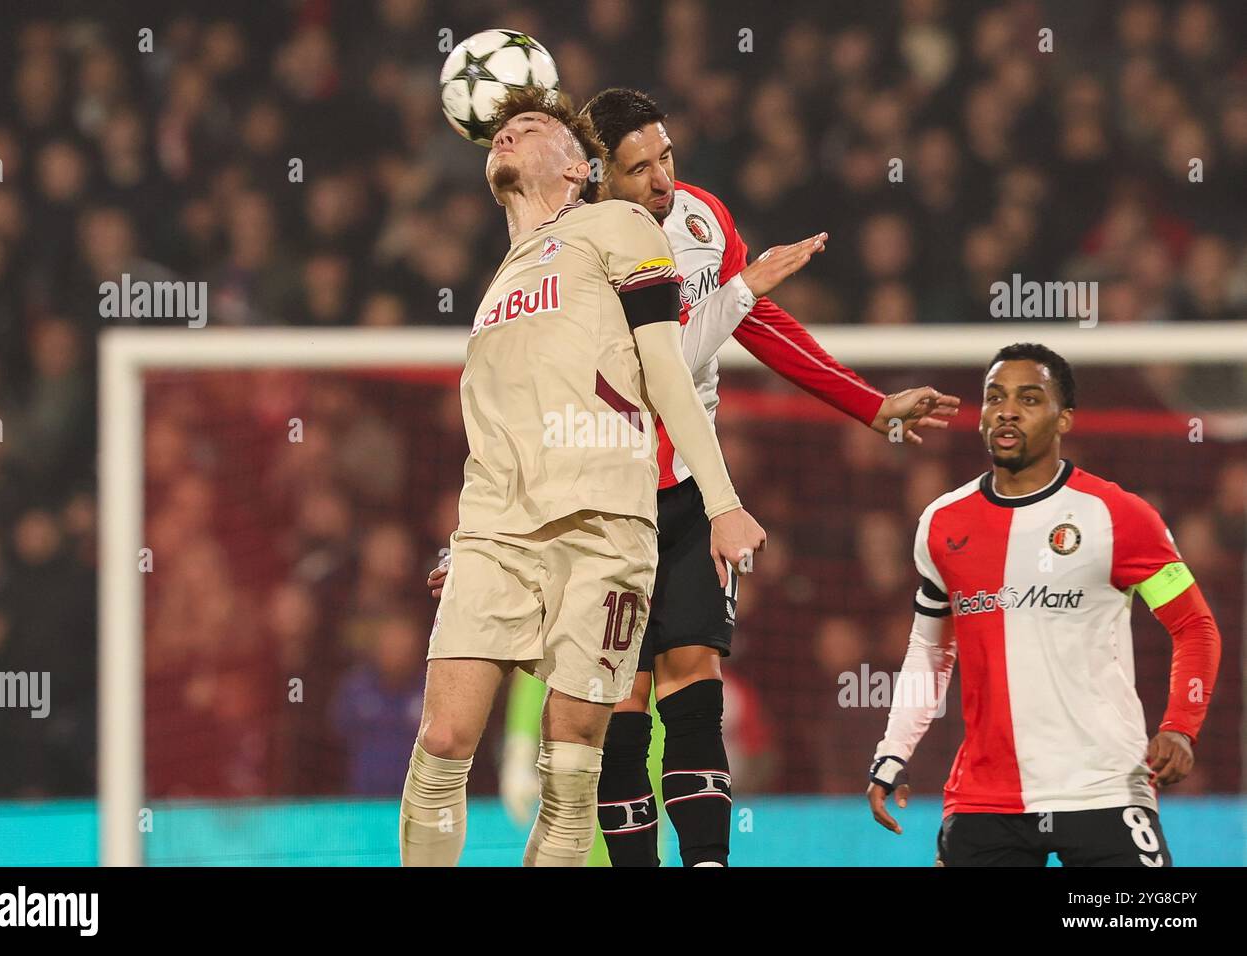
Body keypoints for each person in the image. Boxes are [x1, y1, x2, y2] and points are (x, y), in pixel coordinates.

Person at [434, 87, 960, 867]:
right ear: (596, 176)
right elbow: (646, 372)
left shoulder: (702, 218)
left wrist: (870, 404)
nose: (663, 181)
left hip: (686, 494)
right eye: (639, 168)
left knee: (694, 685)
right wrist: (746, 289)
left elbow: (759, 326)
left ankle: (710, 862)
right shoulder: (574, 247)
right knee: (619, 707)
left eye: (667, 157)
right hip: (602, 508)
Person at [398, 86, 766, 867]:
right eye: (502, 129)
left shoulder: (619, 225)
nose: (507, 134)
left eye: (530, 126)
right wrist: (467, 540)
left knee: (570, 764)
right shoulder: (499, 280)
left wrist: (723, 503)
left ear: (576, 167)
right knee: (443, 737)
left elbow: (666, 372)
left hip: (605, 529)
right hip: (496, 530)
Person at [867, 343, 1222, 866]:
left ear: (1064, 418)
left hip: (1104, 786)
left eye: (1029, 399)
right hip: (986, 799)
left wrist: (1180, 726)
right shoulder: (942, 522)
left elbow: (1194, 625)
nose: (1007, 411)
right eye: (995, 397)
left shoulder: (1119, 516)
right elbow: (930, 650)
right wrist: (893, 752)